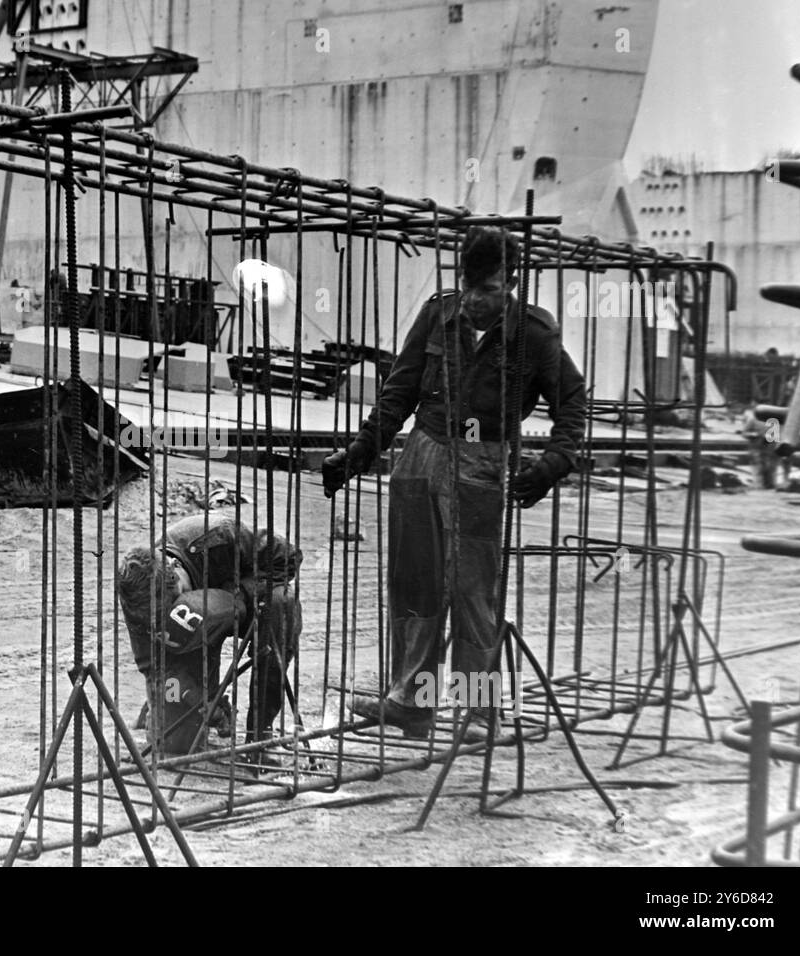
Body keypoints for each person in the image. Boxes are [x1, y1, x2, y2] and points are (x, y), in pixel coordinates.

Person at [322, 226, 586, 742]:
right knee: (414, 582)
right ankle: (412, 703)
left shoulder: (535, 333)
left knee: (473, 590)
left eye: (487, 291)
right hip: (423, 453)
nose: (473, 301)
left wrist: (554, 463)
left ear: (509, 282)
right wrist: (360, 452)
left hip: (483, 463)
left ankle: (479, 712)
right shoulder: (438, 314)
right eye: (468, 287)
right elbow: (398, 390)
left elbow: (572, 402)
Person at [116, 512, 303, 762]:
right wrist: (197, 699)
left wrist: (238, 594)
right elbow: (156, 672)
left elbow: (289, 557)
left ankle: (261, 734)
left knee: (282, 604)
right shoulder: (137, 601)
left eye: (174, 604)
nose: (167, 616)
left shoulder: (218, 536)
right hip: (190, 632)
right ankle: (162, 709)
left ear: (174, 570)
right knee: (175, 743)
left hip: (247, 603)